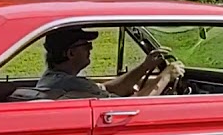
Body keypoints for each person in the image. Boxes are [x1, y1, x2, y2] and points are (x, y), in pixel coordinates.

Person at [35, 27, 184, 99]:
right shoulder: (72, 84)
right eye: (86, 45)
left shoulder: (53, 79)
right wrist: (165, 76)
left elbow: (107, 88)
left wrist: (145, 67)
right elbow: (132, 106)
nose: (91, 48)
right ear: (71, 53)